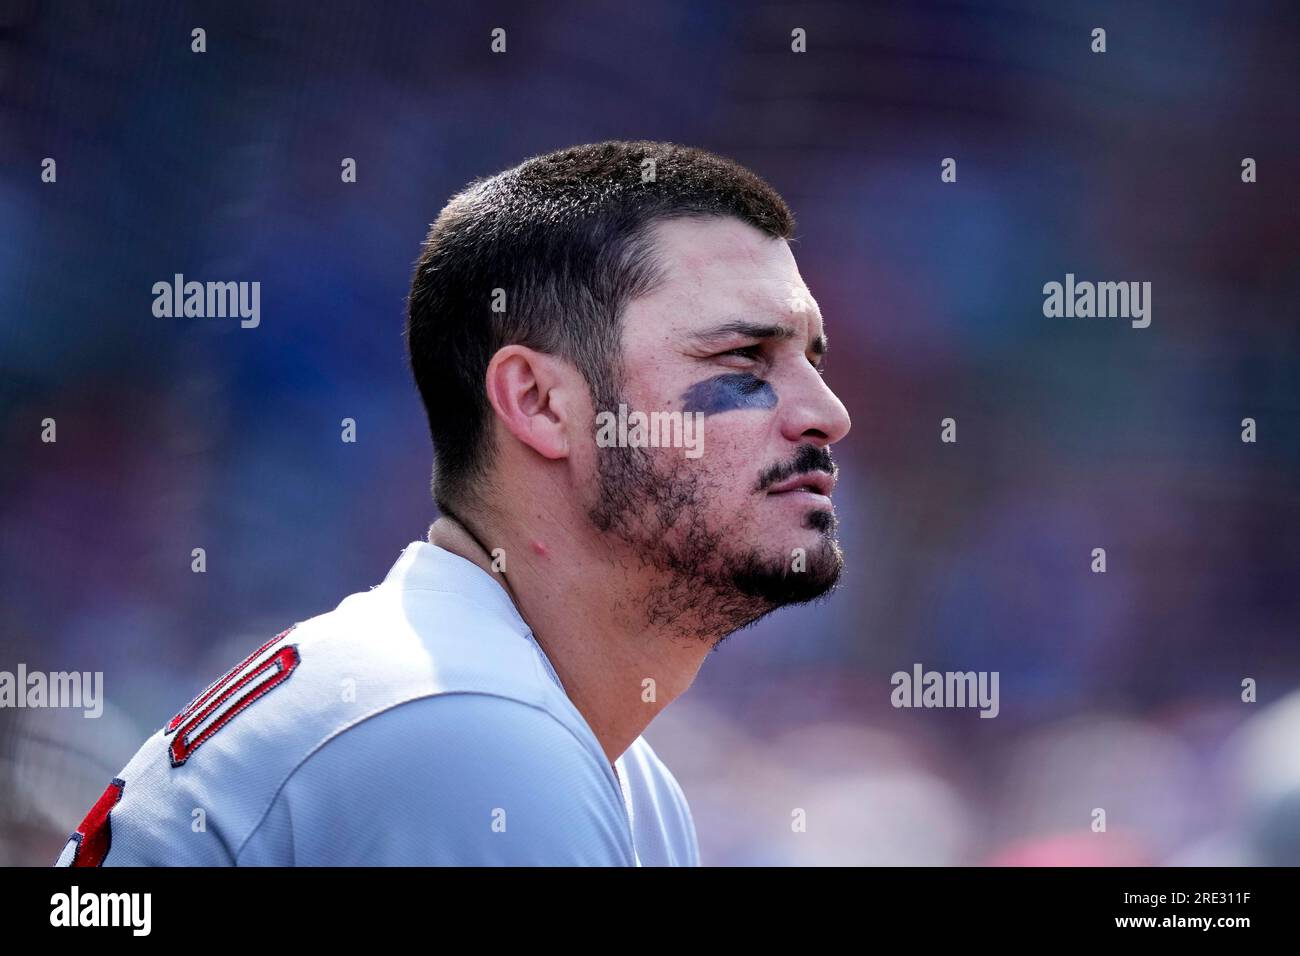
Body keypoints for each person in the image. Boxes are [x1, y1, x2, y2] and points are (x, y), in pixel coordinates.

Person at [56, 140, 851, 866]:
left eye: (810, 358)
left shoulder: (591, 761)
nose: (828, 413)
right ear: (540, 404)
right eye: (746, 355)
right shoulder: (469, 731)